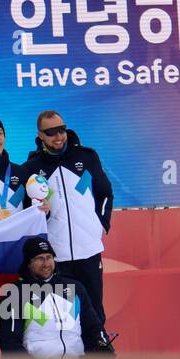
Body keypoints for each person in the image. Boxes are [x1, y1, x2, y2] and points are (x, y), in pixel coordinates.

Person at [23, 110, 114, 326]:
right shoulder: (32, 168)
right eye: (51, 132)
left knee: (94, 311)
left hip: (89, 250)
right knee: (66, 315)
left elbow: (105, 193)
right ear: (40, 135)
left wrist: (102, 223)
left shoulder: (87, 157)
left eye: (61, 130)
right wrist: (40, 212)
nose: (58, 136)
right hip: (57, 256)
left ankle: (98, 355)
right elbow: (27, 210)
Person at [0, 237, 112, 359]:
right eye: (40, 259)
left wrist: (104, 347)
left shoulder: (75, 287)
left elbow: (93, 327)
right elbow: (9, 342)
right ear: (28, 263)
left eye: (49, 257)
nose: (46, 264)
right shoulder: (17, 294)